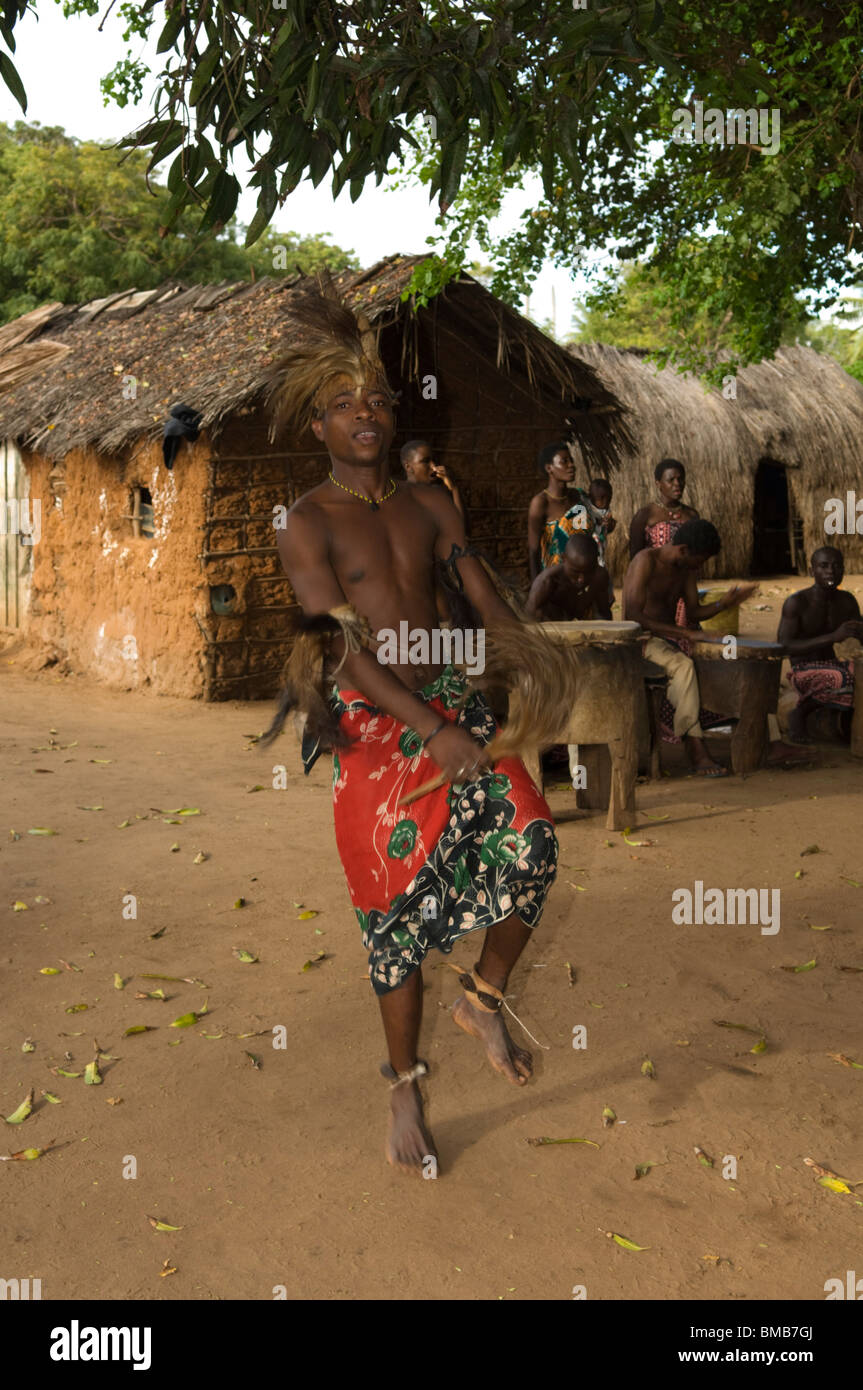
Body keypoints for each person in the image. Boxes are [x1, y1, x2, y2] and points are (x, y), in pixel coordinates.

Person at [266, 291, 559, 1175]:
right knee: (393, 915)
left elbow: (474, 592)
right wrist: (428, 728)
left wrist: (526, 661)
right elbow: (338, 645)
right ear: (317, 424)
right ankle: (403, 1079)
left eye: (381, 402)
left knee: (533, 845)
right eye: (348, 404)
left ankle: (481, 994)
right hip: (375, 724)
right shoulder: (304, 520)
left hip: (450, 701)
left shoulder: (429, 501)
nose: (369, 415)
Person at [623, 519, 758, 776]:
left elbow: (695, 610)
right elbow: (633, 616)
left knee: (733, 661)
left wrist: (725, 603)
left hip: (670, 639)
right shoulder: (645, 562)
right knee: (682, 665)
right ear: (683, 550)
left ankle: (762, 738)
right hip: (640, 641)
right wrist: (687, 633)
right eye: (700, 560)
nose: (701, 566)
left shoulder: (685, 570)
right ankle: (695, 747)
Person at [777, 546, 863, 742]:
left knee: (856, 672)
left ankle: (846, 722)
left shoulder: (847, 601)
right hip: (803, 670)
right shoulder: (797, 602)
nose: (831, 572)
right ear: (811, 571)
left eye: (836, 566)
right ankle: (799, 713)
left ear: (843, 570)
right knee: (842, 677)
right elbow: (784, 646)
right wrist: (833, 637)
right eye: (823, 566)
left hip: (833, 665)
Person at [527, 442, 591, 580]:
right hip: (554, 579)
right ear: (549, 468)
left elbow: (584, 536)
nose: (571, 465)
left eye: (571, 461)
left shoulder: (578, 497)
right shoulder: (540, 503)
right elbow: (533, 550)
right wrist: (537, 586)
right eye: (564, 461)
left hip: (582, 577)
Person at [525, 533, 613, 622]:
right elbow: (529, 619)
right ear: (564, 559)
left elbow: (604, 614)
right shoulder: (547, 581)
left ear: (595, 564)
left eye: (588, 572)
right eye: (575, 572)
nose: (581, 579)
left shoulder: (599, 577)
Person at [629, 459, 699, 558]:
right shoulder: (645, 514)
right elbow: (635, 557)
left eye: (680, 479)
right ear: (658, 484)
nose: (677, 483)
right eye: (671, 480)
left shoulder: (692, 515)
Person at [401, 439, 465, 521]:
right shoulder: (399, 499)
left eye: (433, 460)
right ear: (408, 467)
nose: (434, 467)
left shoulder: (437, 495)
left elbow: (458, 529)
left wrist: (454, 489)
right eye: (425, 461)